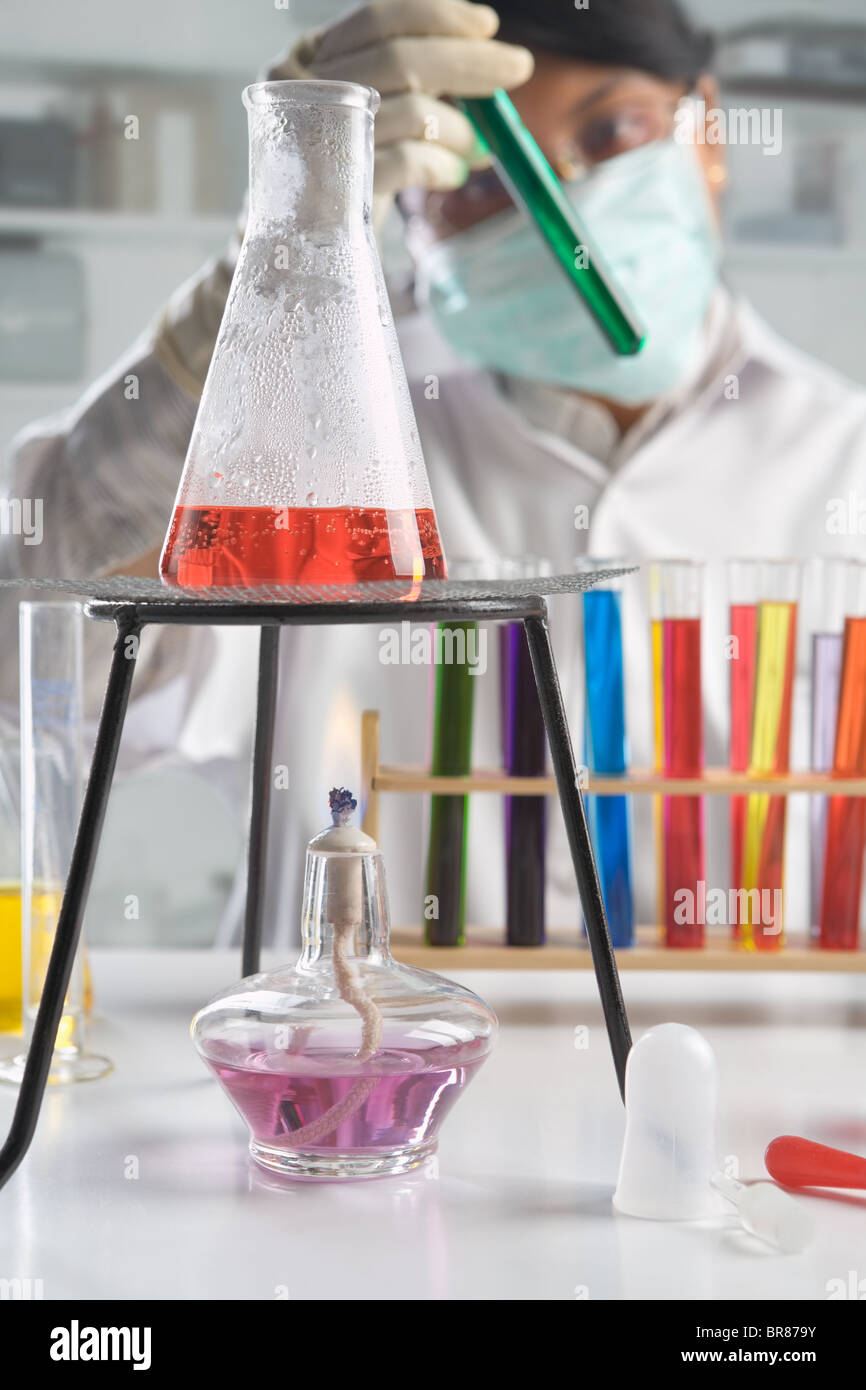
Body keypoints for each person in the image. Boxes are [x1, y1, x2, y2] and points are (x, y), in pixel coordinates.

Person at [2, 0, 864, 940]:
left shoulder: (845, 460)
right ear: (406, 208)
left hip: (768, 1074)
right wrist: (273, 256)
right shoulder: (327, 445)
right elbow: (30, 669)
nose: (560, 209)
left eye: (612, 130)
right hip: (344, 1077)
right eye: (485, 182)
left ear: (707, 129)